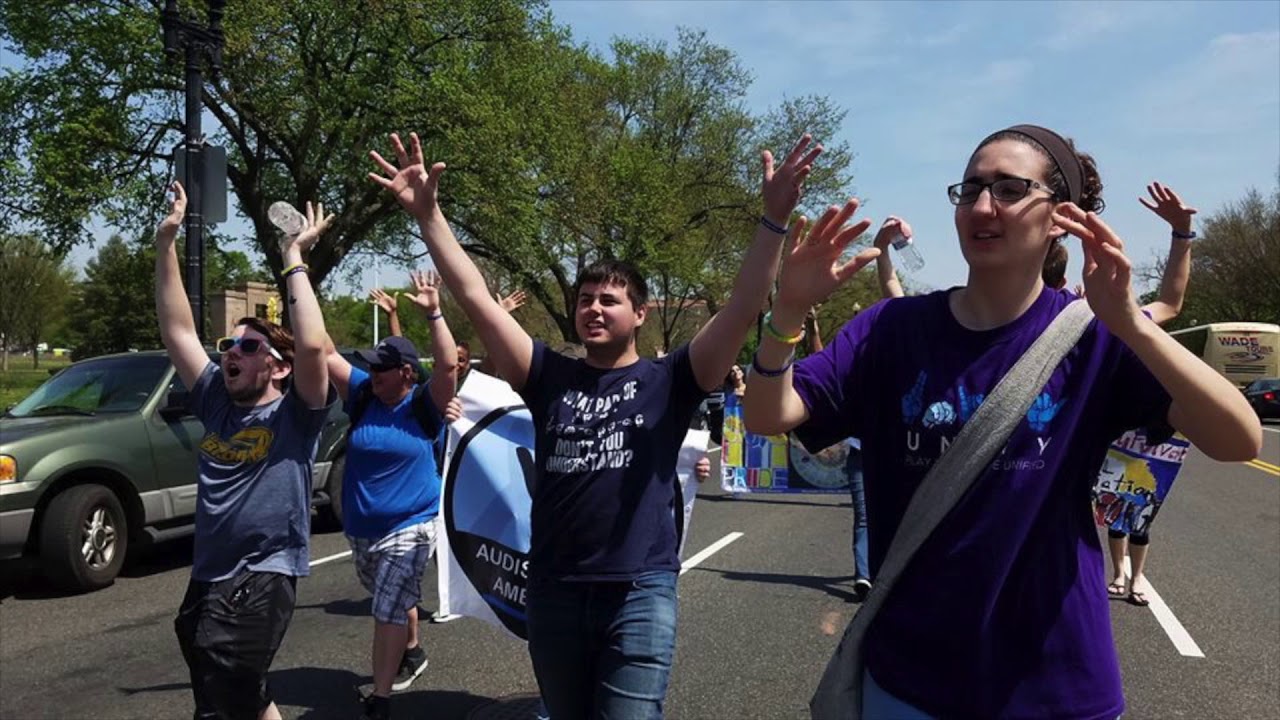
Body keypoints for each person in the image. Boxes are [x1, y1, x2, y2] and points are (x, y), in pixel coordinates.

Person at [743, 124, 1261, 718]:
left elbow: (1237, 438)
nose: (983, 207)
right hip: (908, 682)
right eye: (971, 190)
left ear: (1060, 215)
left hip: (1055, 684)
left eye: (1010, 189)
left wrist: (1132, 322)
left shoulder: (1095, 336)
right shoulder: (890, 328)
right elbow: (766, 415)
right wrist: (786, 311)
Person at [368, 130, 877, 719]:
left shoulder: (675, 378)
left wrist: (773, 221)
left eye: (610, 299)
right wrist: (431, 218)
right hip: (554, 590)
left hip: (640, 593)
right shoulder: (547, 376)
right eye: (585, 298)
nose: (593, 307)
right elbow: (476, 296)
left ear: (640, 314)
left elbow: (742, 305)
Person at [157, 184, 336, 720]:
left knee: (222, 700)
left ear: (277, 366)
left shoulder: (296, 413)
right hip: (208, 575)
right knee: (246, 695)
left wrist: (292, 255)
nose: (232, 352)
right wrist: (166, 244)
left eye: (249, 346)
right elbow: (176, 329)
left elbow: (311, 345)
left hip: (262, 574)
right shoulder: (216, 400)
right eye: (229, 346)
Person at [323, 270, 459, 720]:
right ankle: (412, 651)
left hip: (411, 524)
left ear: (404, 373)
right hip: (362, 530)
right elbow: (322, 350)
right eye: (370, 367)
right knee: (395, 599)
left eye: (381, 369)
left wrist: (435, 313)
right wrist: (295, 263)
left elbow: (446, 367)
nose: (371, 374)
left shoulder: (424, 404)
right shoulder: (363, 394)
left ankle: (380, 699)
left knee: (386, 609)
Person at [1100, 181, 1198, 607]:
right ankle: (1118, 571)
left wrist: (1181, 234)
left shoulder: (1133, 321)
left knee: (1140, 515)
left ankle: (1136, 576)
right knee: (1114, 519)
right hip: (1110, 441)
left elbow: (1171, 301)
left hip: (1153, 440)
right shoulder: (1073, 323)